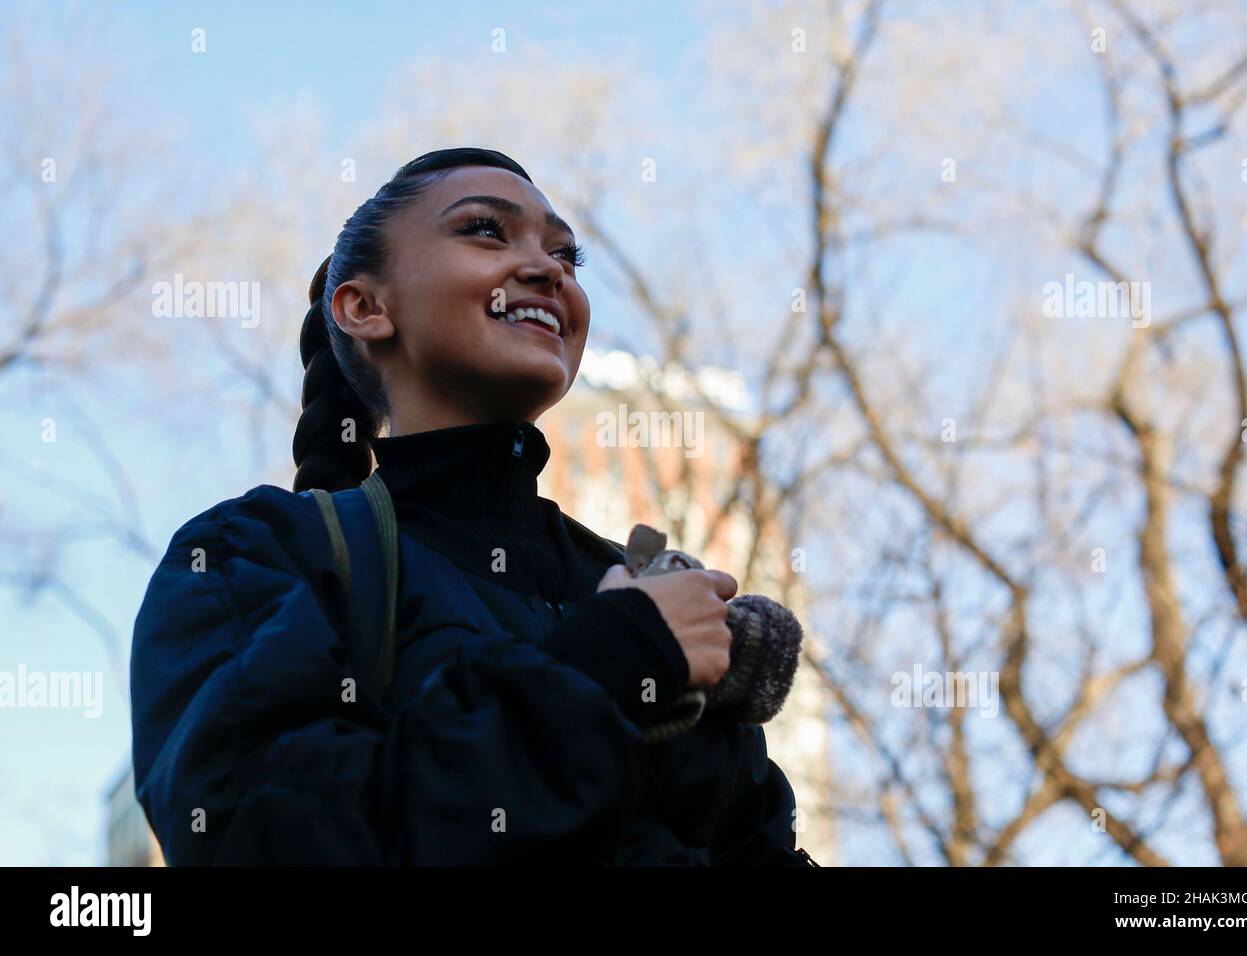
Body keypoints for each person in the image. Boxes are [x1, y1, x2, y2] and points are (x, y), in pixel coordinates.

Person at [129, 147, 816, 865]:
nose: (550, 270)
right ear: (365, 307)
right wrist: (609, 663)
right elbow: (263, 838)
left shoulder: (624, 582)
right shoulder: (254, 556)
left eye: (566, 253)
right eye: (487, 230)